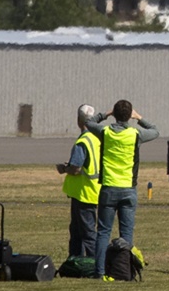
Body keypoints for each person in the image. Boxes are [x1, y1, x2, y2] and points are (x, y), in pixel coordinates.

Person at [85, 100, 159, 280]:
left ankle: (100, 271)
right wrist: (139, 117)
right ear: (129, 115)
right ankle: (125, 271)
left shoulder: (105, 132)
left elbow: (88, 122)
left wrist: (105, 114)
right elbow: (155, 131)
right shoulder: (135, 134)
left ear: (115, 114)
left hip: (109, 187)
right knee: (126, 233)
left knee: (103, 232)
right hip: (128, 188)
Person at [57, 104, 101, 258]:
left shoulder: (83, 141)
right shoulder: (97, 138)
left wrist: (64, 169)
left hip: (83, 193)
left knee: (87, 234)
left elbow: (76, 169)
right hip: (93, 190)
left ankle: (95, 263)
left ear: (78, 121)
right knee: (76, 231)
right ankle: (75, 260)